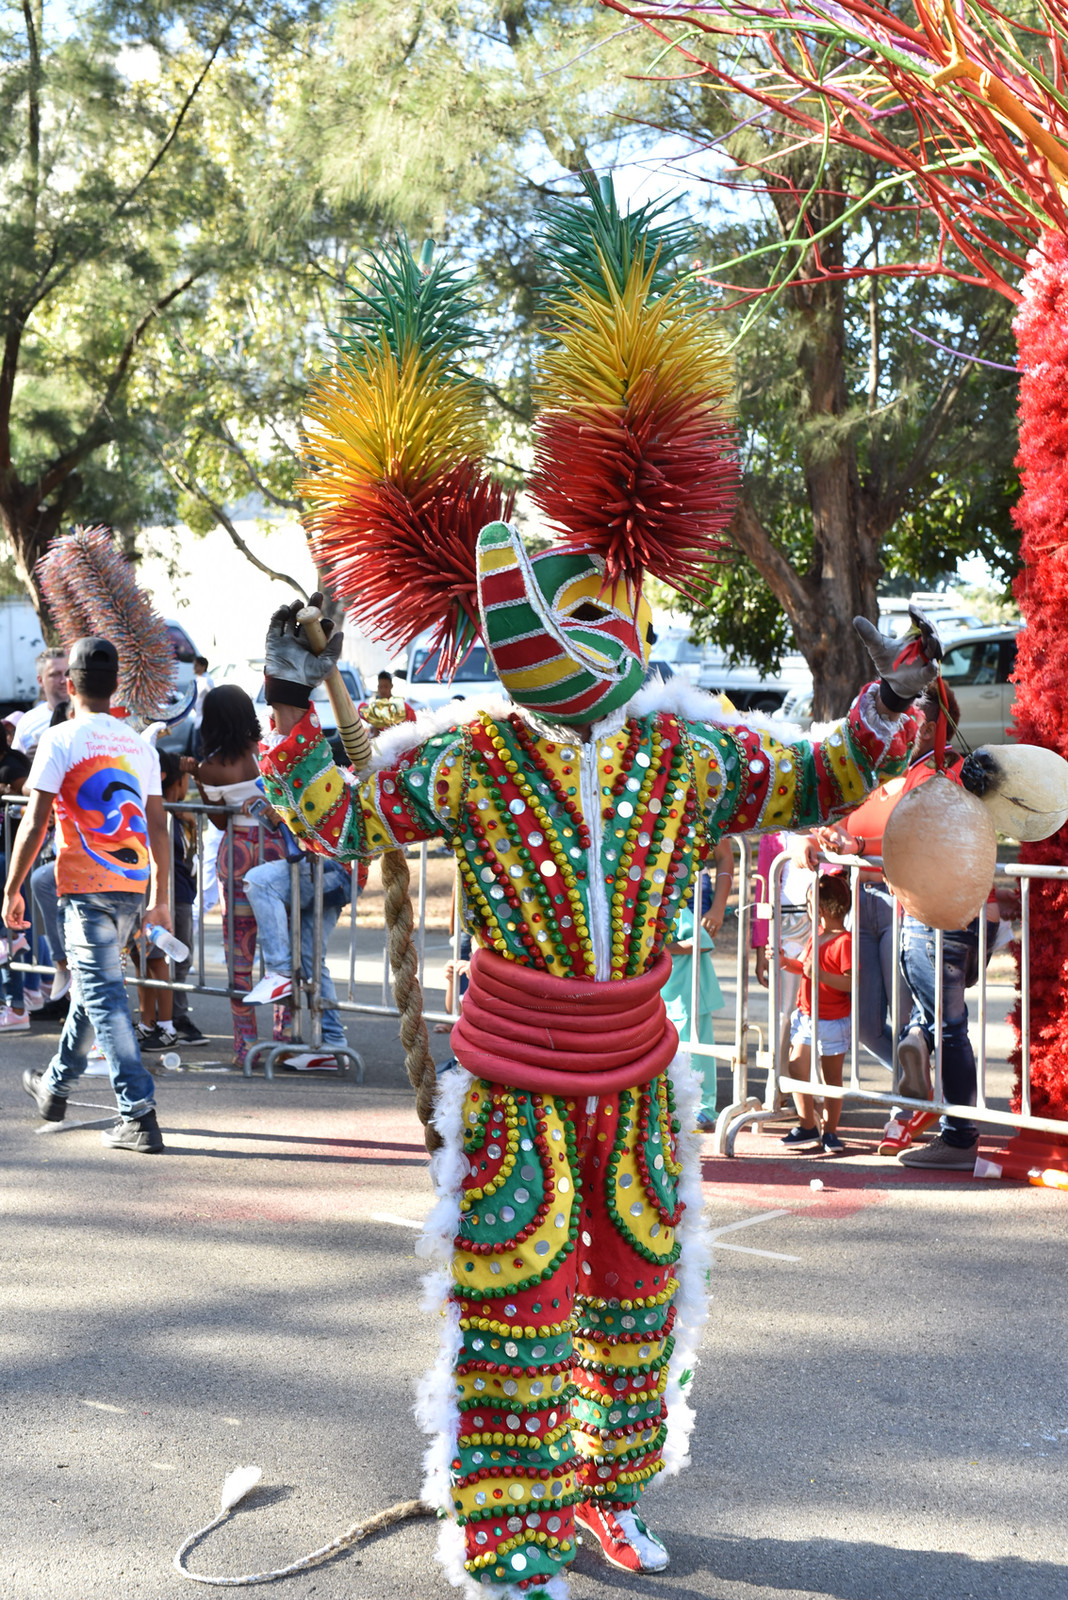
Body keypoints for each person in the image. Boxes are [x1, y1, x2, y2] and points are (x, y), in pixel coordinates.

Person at [259, 565, 936, 1590]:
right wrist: (287, 692)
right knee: (513, 1300)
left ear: (636, 632)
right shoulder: (471, 752)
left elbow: (811, 776)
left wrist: (887, 702)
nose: (581, 641)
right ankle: (512, 1535)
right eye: (563, 620)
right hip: (512, 1080)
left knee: (636, 1302)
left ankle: (608, 1494)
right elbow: (344, 815)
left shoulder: (685, 754)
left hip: (636, 1079)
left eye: (600, 621)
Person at [4, 636, 171, 1154]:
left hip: (85, 888)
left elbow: (34, 823)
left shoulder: (60, 739)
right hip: (130, 888)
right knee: (93, 987)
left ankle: (138, 1114)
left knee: (103, 994)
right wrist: (160, 896)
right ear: (115, 685)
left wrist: (11, 889)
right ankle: (55, 1087)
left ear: (70, 685)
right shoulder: (139, 744)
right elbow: (159, 824)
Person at [194, 684, 287, 1069]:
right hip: (279, 850)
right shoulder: (270, 754)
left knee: (240, 951)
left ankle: (245, 1044)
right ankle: (288, 1038)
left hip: (237, 854)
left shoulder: (209, 768)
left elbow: (217, 820)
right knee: (284, 947)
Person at [241, 823, 355, 1068]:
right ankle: (333, 1044)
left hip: (335, 866)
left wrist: (284, 810)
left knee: (259, 882)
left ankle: (280, 971)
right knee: (310, 957)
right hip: (340, 866)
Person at [779, 873, 854, 1155]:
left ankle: (830, 1131)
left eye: (810, 905)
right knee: (797, 1065)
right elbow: (807, 967)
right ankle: (807, 1124)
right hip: (807, 1016)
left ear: (819, 910)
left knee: (831, 1077)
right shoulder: (816, 937)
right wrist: (788, 963)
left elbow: (850, 982)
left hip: (833, 1020)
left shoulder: (843, 941)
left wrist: (820, 974)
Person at [135, 749, 205, 1049]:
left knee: (164, 960)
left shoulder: (175, 817)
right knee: (151, 961)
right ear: (172, 782)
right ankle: (154, 1022)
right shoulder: (164, 817)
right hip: (163, 898)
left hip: (173, 898)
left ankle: (166, 1023)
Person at [12, 647, 69, 755]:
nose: (63, 680)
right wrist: (27, 761)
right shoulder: (27, 722)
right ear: (40, 680)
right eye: (55, 674)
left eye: (66, 673)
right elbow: (15, 764)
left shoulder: (84, 715)